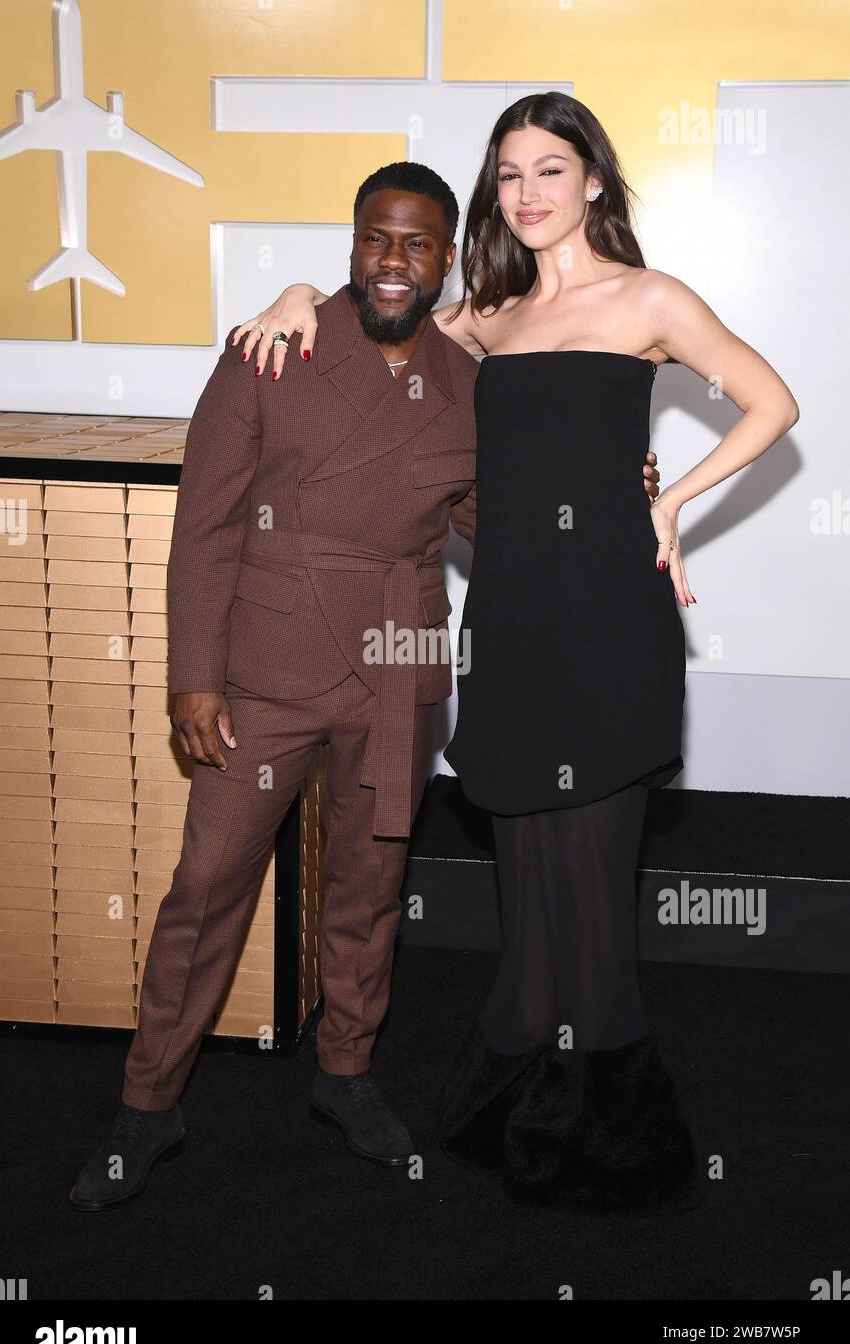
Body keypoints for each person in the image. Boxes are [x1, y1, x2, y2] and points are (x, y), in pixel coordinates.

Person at [231, 91, 798, 1216]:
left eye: (550, 168)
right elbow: (372, 317)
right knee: (530, 871)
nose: (528, 192)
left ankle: (608, 1128)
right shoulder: (484, 316)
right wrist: (298, 290)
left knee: (591, 874)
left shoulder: (650, 299)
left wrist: (671, 499)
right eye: (508, 174)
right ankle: (522, 1089)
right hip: (513, 620)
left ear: (593, 179)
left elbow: (772, 401)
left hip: (608, 624)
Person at [68, 157, 663, 1212]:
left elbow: (507, 516)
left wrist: (616, 491)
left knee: (368, 891)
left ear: (445, 259)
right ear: (353, 246)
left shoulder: (467, 381)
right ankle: (148, 1106)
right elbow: (204, 525)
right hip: (266, 672)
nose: (393, 262)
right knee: (206, 890)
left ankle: (344, 1076)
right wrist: (193, 680)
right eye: (375, 240)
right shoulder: (272, 350)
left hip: (399, 668)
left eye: (416, 244)